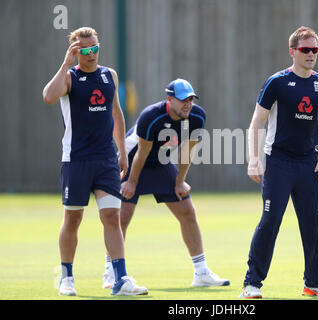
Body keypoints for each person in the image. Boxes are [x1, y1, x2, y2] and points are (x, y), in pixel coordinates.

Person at [42, 27, 148, 296]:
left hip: (105, 160)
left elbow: (116, 114)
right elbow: (48, 96)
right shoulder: (69, 78)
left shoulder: (108, 75)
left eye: (94, 48)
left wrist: (122, 151)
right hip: (76, 160)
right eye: (84, 50)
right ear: (76, 51)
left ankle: (120, 278)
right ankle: (67, 276)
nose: (91, 54)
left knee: (112, 216)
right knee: (73, 218)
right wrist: (65, 64)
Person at [102, 79, 230, 289]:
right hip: (132, 162)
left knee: (188, 212)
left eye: (190, 99)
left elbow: (188, 152)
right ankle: (111, 273)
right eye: (182, 100)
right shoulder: (151, 117)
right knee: (121, 218)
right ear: (169, 99)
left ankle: (201, 272)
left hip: (160, 162)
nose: (187, 104)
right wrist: (131, 183)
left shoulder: (197, 117)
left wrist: (180, 182)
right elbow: (141, 155)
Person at [240, 26, 318, 298]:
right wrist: (254, 159)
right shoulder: (277, 82)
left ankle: (314, 282)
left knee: (312, 223)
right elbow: (257, 121)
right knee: (270, 221)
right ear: (292, 51)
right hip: (278, 161)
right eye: (305, 49)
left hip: (309, 163)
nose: (311, 54)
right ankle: (252, 284)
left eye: (315, 49)